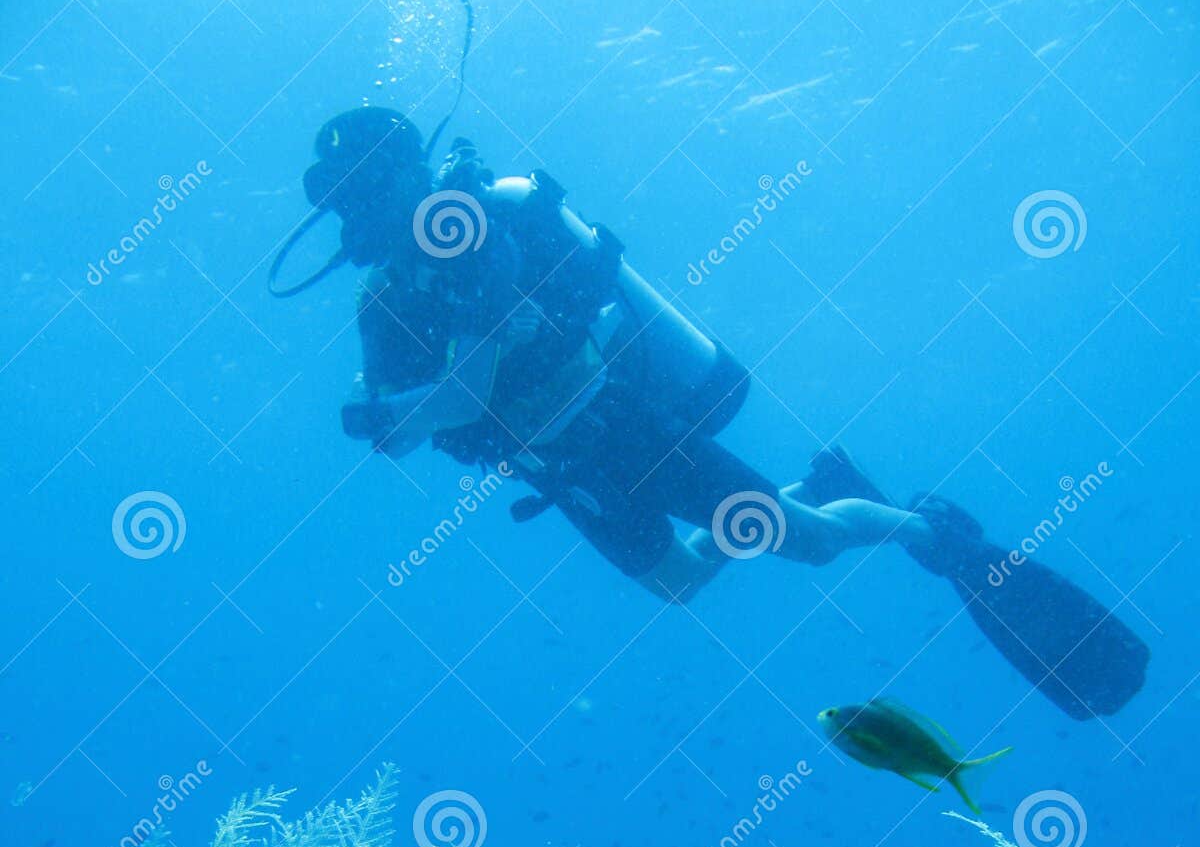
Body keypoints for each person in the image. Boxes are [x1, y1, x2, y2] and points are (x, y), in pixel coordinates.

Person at [271, 106, 1148, 721]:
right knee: (683, 582)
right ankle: (817, 484)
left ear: (404, 174)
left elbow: (451, 400)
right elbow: (402, 428)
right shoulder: (383, 298)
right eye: (339, 196)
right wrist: (386, 415)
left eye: (361, 188)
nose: (351, 212)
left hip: (626, 432)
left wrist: (384, 414)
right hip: (562, 473)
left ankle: (926, 529)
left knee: (812, 546)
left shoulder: (470, 233)